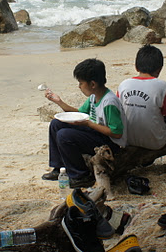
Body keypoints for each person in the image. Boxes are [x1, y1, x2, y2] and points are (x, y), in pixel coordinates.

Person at [42, 58, 127, 187]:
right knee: (56, 124)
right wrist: (59, 102)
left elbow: (116, 133)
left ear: (92, 84)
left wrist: (88, 124)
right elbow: (79, 113)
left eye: (81, 83)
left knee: (64, 135)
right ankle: (59, 167)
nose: (79, 86)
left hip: (110, 144)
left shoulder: (109, 102)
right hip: (96, 133)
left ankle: (80, 176)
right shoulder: (94, 97)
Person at [117, 45, 166, 150]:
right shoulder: (162, 86)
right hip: (156, 141)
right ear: (159, 69)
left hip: (127, 139)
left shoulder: (124, 85)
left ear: (136, 67)